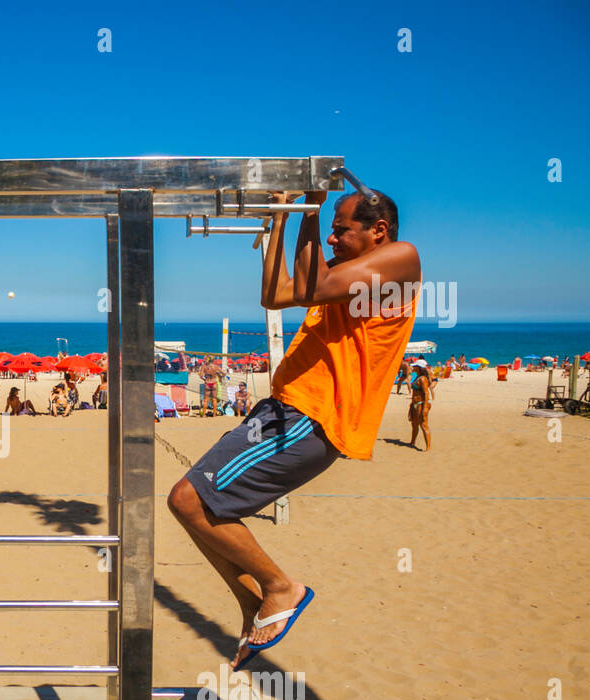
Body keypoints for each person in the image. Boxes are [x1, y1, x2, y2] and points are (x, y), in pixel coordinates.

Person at [168, 185, 420, 670]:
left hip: (310, 418)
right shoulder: (342, 277)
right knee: (192, 509)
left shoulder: (400, 259)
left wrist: (304, 211)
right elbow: (276, 294)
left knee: (188, 499)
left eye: (340, 229)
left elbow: (311, 288)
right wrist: (283, 220)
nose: (331, 237)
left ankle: (282, 588)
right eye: (328, 227)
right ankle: (254, 603)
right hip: (285, 412)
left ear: (379, 230)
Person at [408, 359, 434, 451]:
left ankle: (428, 447)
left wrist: (424, 408)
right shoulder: (417, 377)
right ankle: (412, 442)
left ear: (419, 368)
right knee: (414, 424)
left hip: (421, 404)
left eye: (415, 366)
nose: (413, 367)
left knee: (423, 425)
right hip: (415, 404)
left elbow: (426, 393)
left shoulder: (423, 379)